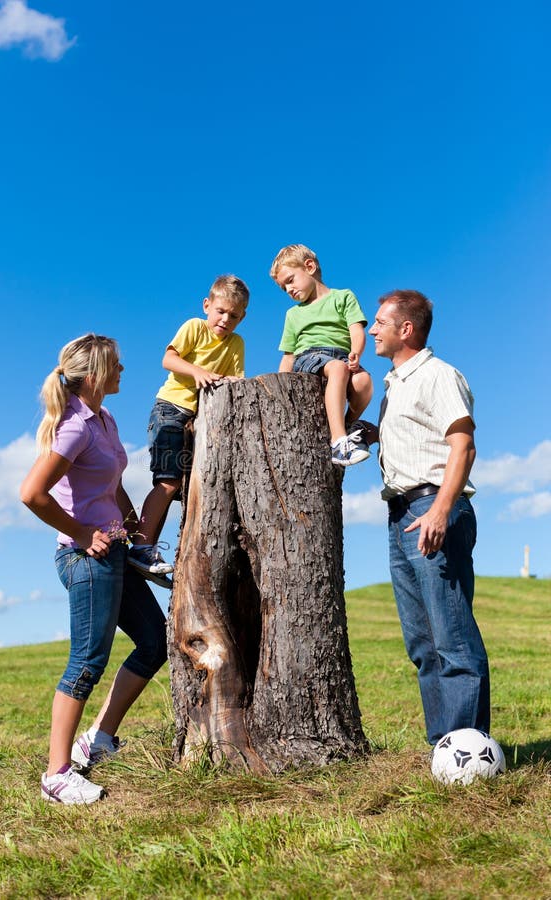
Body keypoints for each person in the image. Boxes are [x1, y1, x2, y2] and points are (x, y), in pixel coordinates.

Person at [20, 333, 167, 805]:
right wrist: (83, 534)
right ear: (95, 373)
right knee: (87, 662)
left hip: (116, 551)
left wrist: (138, 535)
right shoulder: (74, 427)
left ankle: (98, 738)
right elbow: (32, 493)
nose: (123, 370)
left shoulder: (103, 419)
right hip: (86, 558)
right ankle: (57, 774)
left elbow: (112, 487)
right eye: (116, 365)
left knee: (155, 641)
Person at [368, 290, 490, 745]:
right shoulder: (393, 386)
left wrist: (440, 509)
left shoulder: (438, 375)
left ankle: (469, 747)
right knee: (422, 645)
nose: (372, 329)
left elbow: (463, 445)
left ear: (406, 329)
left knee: (452, 638)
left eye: (380, 322)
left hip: (432, 506)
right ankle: (443, 747)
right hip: (399, 514)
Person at [128, 274, 249, 580]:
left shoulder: (236, 343)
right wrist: (197, 371)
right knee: (166, 482)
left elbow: (235, 379)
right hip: (170, 410)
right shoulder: (194, 327)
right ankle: (141, 547)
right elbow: (169, 359)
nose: (225, 319)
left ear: (242, 317)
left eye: (233, 315)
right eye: (220, 311)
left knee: (183, 488)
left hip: (200, 421)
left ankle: (149, 549)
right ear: (207, 305)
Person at [270, 243, 373, 466]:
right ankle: (338, 442)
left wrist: (356, 352)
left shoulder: (343, 297)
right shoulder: (293, 314)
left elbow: (356, 330)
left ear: (309, 267)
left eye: (290, 280)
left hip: (343, 357)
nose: (288, 290)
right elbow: (289, 355)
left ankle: (347, 424)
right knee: (337, 368)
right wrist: (281, 384)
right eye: (283, 288)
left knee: (364, 381)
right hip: (309, 357)